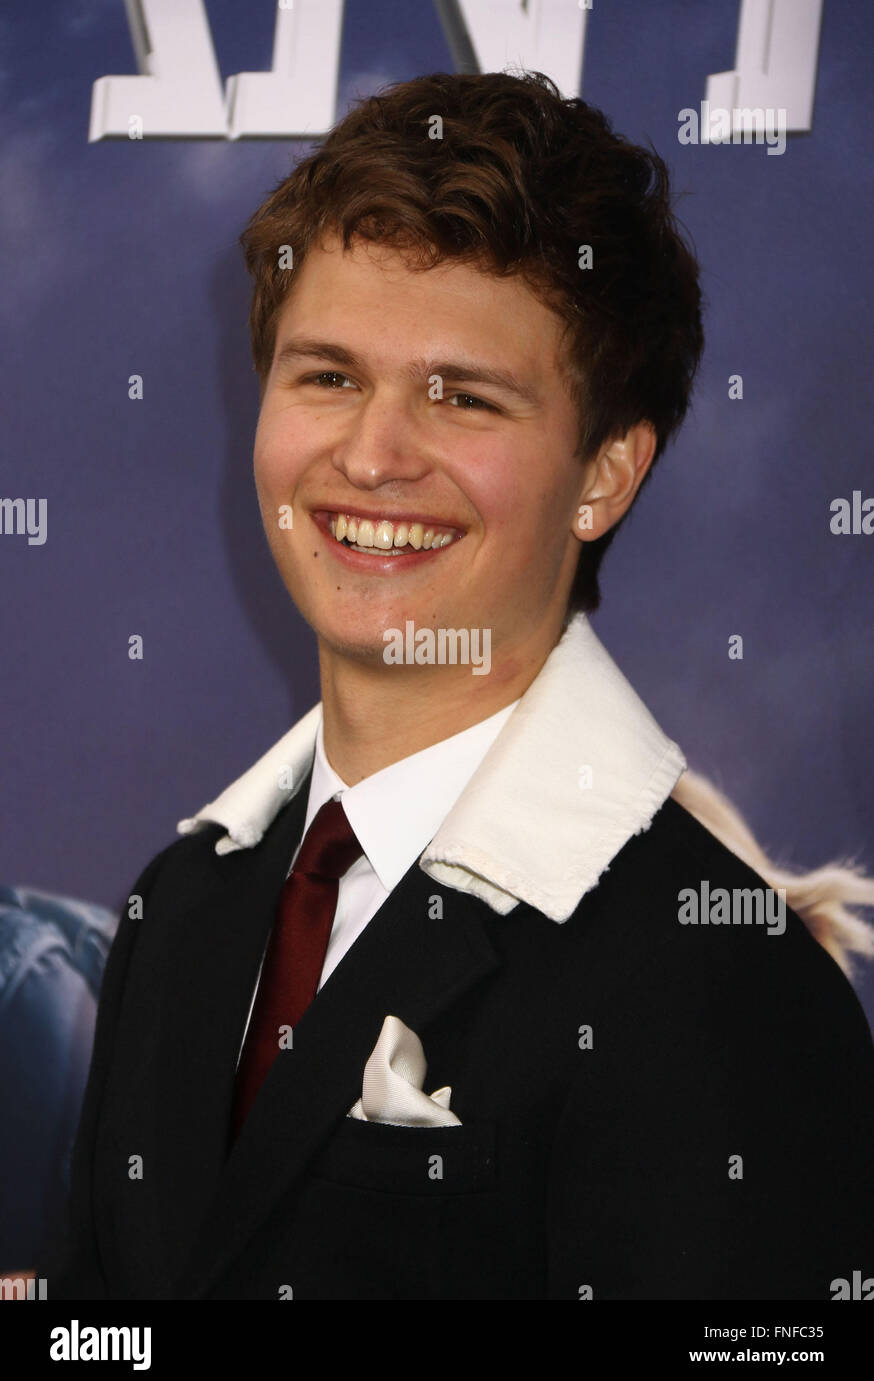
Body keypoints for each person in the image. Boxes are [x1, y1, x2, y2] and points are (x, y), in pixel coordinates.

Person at [40, 70, 874, 1300]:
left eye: (462, 397)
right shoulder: (182, 908)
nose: (370, 456)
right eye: (327, 375)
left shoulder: (726, 986)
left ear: (605, 472)